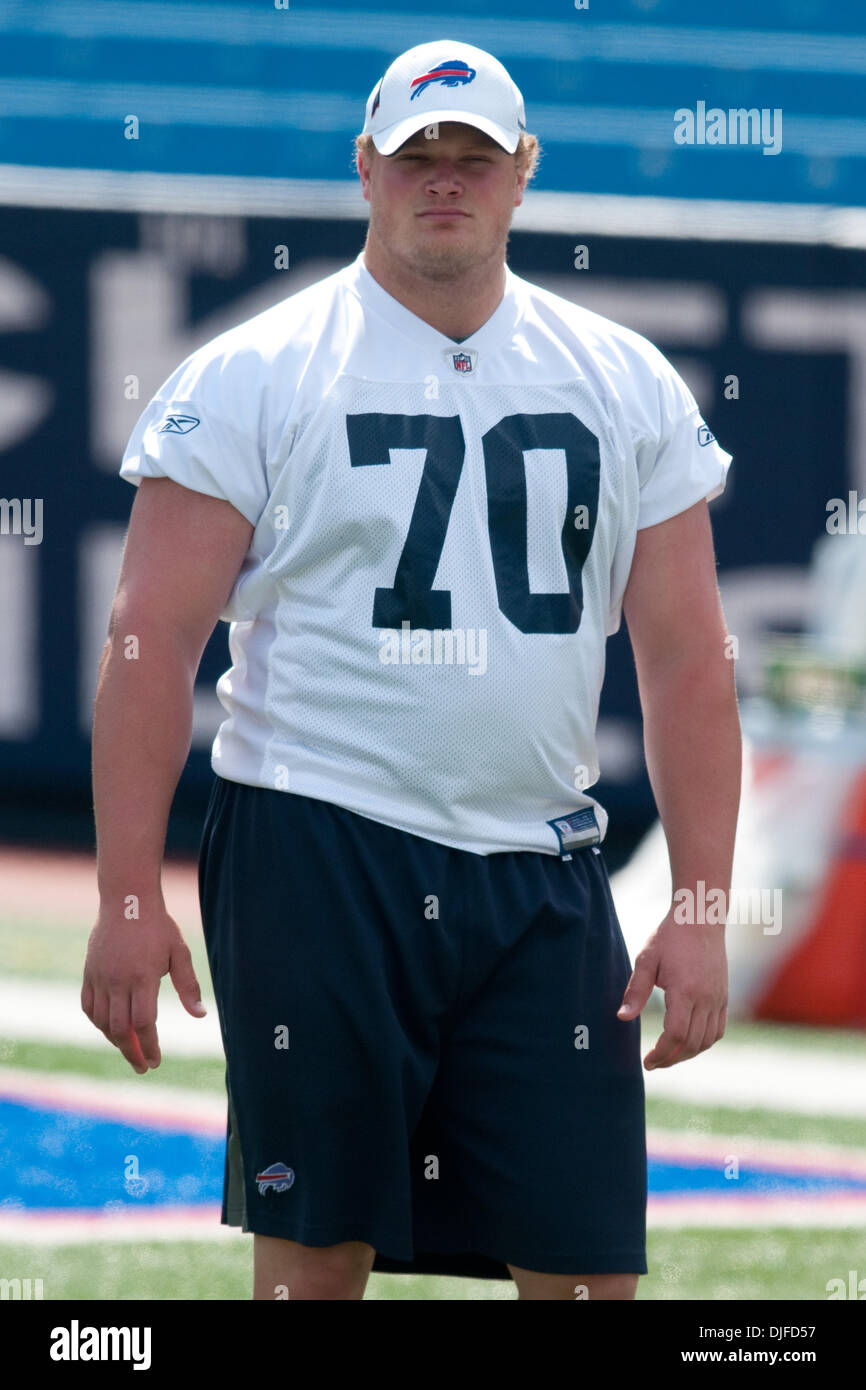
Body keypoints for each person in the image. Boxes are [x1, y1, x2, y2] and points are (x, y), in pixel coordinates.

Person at [83, 38, 741, 1301]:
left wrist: (700, 908)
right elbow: (148, 637)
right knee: (313, 1264)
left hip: (540, 864)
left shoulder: (621, 379)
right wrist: (124, 892)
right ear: (365, 169)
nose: (445, 180)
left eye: (473, 158)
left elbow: (684, 660)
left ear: (521, 174)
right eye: (416, 157)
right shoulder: (253, 371)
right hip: (318, 845)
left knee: (588, 1271)